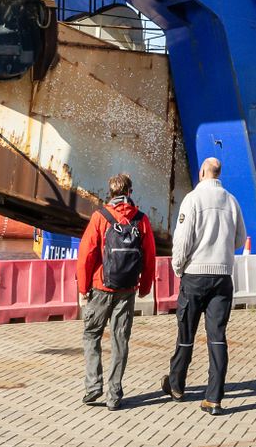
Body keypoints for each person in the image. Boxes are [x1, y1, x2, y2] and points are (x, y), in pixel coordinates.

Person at [164, 157, 246, 414]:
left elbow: (183, 240)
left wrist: (179, 268)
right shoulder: (232, 201)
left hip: (195, 276)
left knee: (186, 335)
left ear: (202, 173)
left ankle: (177, 386)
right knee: (217, 338)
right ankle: (214, 398)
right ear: (219, 174)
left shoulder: (192, 200)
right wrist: (221, 253)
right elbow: (240, 238)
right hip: (223, 278)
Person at [78, 172, 156, 410]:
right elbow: (150, 256)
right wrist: (144, 287)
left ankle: (93, 386)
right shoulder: (141, 219)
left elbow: (86, 255)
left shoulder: (100, 217)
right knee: (120, 339)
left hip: (101, 287)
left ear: (110, 193)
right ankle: (114, 394)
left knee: (92, 335)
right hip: (127, 290)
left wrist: (83, 288)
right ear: (129, 193)